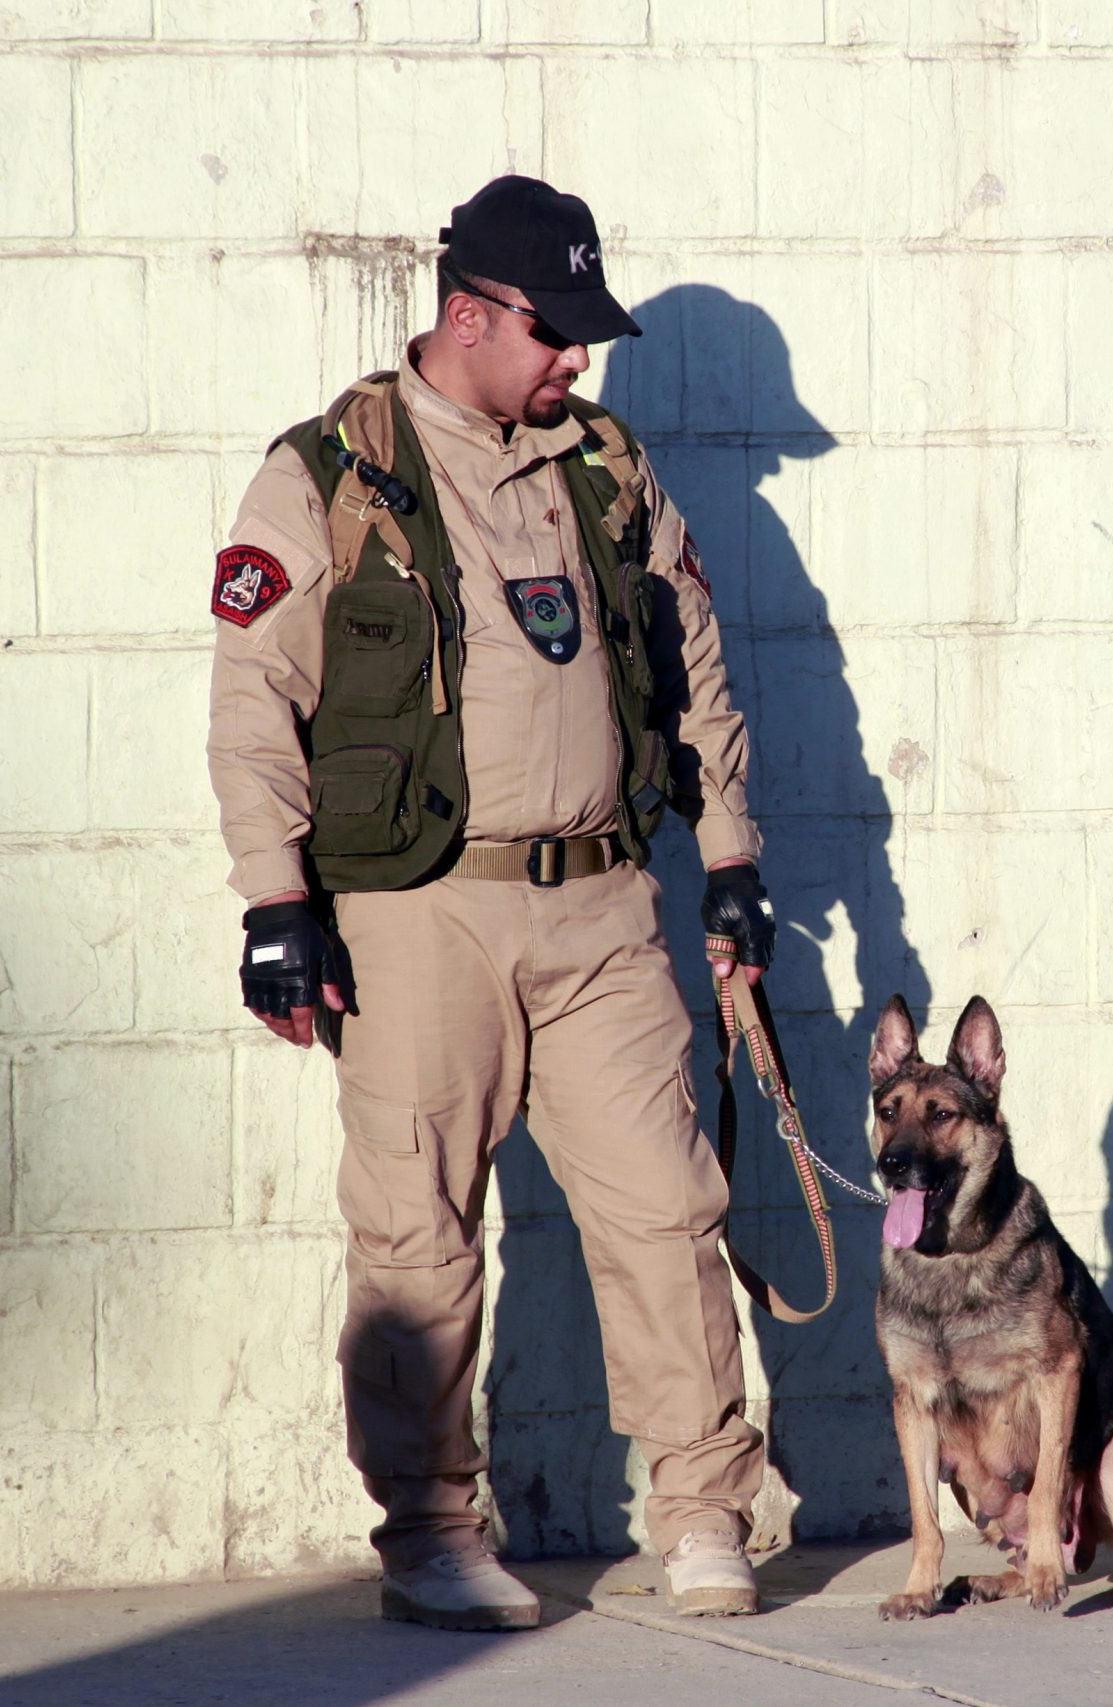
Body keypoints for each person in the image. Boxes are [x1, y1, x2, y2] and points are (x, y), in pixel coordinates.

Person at [207, 176, 781, 1630]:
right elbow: (255, 700)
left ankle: (706, 1509)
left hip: (598, 904)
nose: (577, 360)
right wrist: (275, 903)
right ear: (473, 314)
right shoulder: (331, 472)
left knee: (665, 1212)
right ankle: (430, 1533)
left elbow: (689, 659)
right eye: (556, 332)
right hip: (417, 915)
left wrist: (729, 860)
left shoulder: (601, 462)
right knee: (418, 1235)